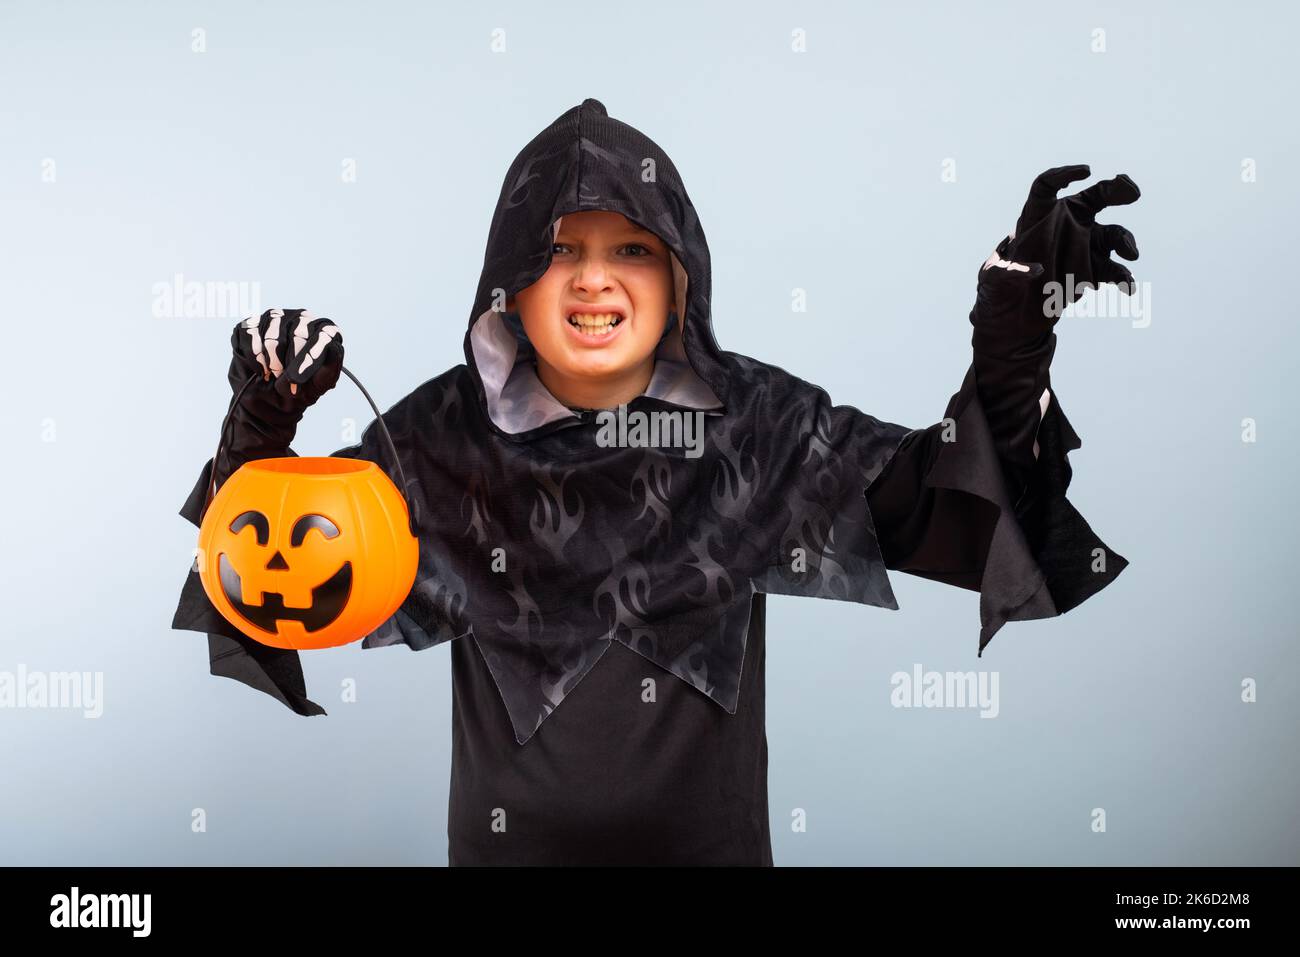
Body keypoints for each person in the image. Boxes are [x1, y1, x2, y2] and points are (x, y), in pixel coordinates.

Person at [171, 98, 1139, 865]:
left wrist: (1013, 333)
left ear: (679, 275)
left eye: (629, 248)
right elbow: (261, 574)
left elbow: (955, 507)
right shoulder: (432, 440)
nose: (594, 279)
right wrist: (263, 413)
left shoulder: (763, 430)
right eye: (559, 251)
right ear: (511, 280)